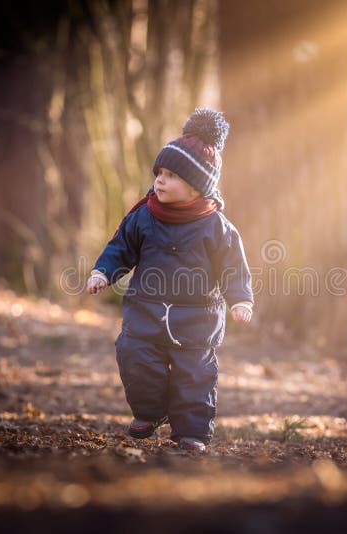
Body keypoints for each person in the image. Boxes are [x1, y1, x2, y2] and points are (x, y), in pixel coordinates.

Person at [86, 108, 254, 452]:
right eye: (159, 173)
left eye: (171, 176)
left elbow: (234, 267)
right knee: (133, 356)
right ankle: (150, 411)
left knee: (195, 377)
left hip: (196, 321)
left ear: (197, 186)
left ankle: (191, 434)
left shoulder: (217, 228)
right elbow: (121, 247)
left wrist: (240, 299)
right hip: (144, 314)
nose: (160, 180)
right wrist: (102, 272)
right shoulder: (144, 216)